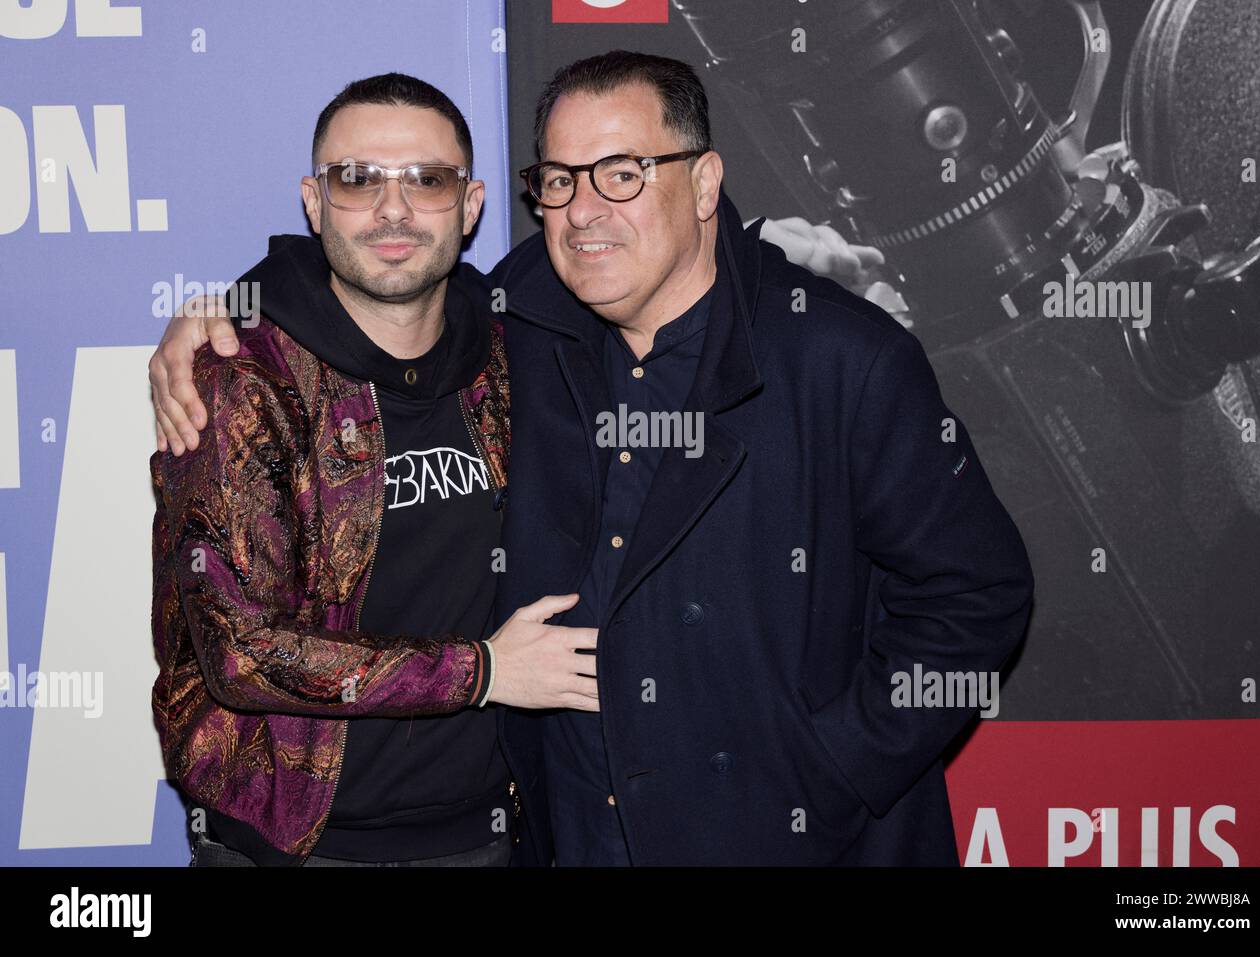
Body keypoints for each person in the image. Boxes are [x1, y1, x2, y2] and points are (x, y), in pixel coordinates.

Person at [151, 51, 1034, 866]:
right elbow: (375, 272)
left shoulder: (841, 357)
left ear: (704, 184)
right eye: (563, 181)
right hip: (573, 837)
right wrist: (224, 316)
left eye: (624, 173)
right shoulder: (522, 326)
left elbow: (978, 596)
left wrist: (834, 767)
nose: (586, 212)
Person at [149, 73, 596, 868]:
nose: (393, 209)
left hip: (487, 837)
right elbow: (239, 650)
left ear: (473, 204)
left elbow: (664, 263)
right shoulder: (241, 380)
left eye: (427, 179)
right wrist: (482, 670)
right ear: (314, 202)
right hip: (290, 848)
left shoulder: (518, 342)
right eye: (358, 180)